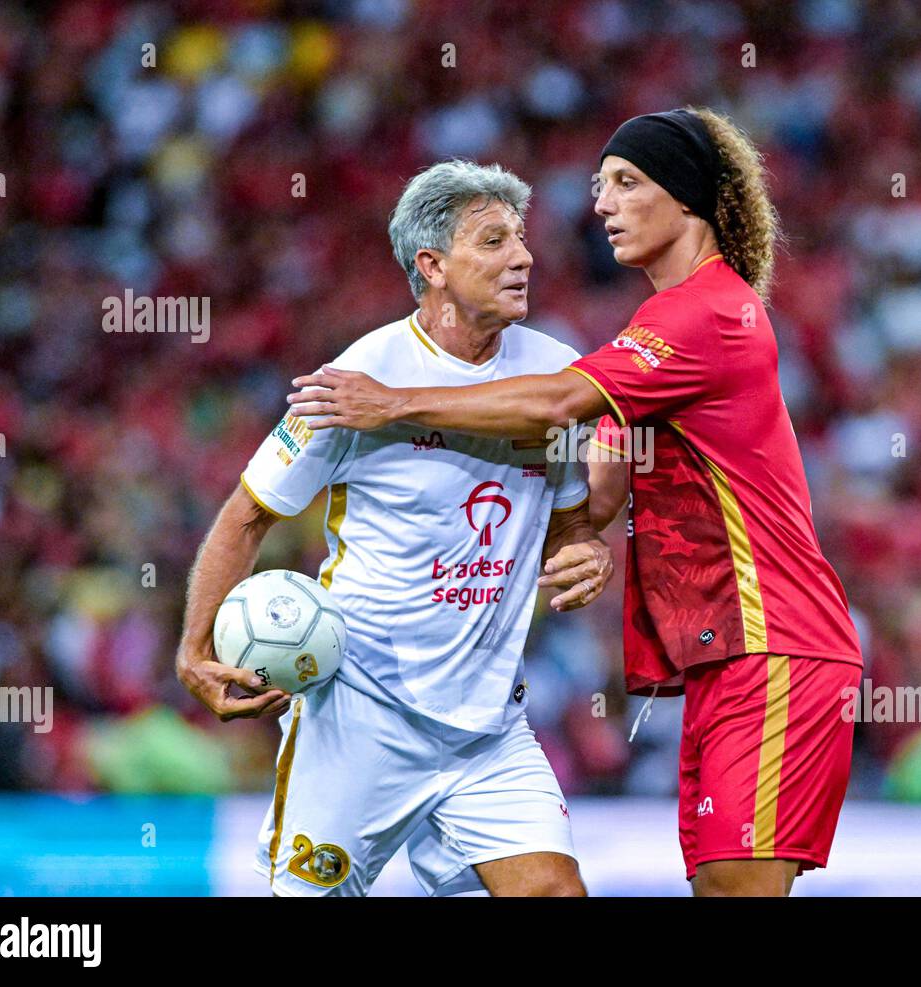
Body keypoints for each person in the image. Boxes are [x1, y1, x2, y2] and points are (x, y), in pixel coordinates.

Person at [285, 108, 865, 896]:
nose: (602, 204)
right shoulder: (663, 324)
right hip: (725, 655)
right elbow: (605, 467)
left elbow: (561, 401)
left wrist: (392, 403)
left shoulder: (707, 315)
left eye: (627, 183)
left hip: (775, 646)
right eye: (599, 186)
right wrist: (585, 533)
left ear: (688, 198)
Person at [175, 160, 612, 897]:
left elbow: (569, 513)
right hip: (360, 714)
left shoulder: (555, 375)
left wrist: (583, 546)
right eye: (495, 240)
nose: (524, 257)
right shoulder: (354, 379)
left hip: (488, 727)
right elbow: (247, 513)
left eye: (522, 239)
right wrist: (192, 650)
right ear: (432, 265)